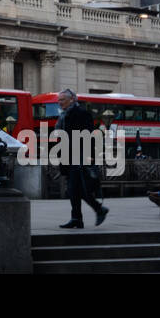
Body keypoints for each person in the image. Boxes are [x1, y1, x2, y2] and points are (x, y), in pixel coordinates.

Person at [56, 89, 108, 229]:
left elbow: (89, 135)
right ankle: (81, 216)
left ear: (72, 99)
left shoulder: (82, 113)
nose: (59, 102)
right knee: (75, 189)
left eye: (62, 100)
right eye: (59, 100)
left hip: (79, 156)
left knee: (75, 188)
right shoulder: (63, 115)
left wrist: (88, 156)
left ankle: (86, 214)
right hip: (68, 156)